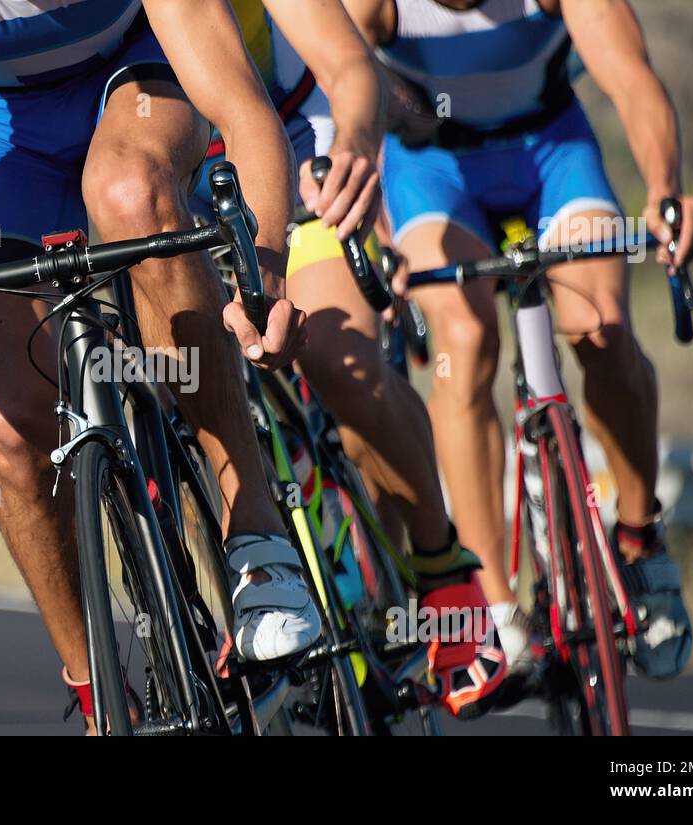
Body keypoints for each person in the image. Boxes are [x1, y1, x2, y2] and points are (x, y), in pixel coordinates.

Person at [0, 0, 327, 733]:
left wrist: (265, 276)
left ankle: (254, 527)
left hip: (137, 72)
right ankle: (98, 692)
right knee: (13, 435)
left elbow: (245, 112)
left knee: (129, 194)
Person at [346, 0, 693, 680]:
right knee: (463, 339)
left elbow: (632, 81)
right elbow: (346, 96)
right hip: (432, 168)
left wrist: (665, 194)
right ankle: (496, 605)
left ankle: (640, 542)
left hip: (551, 153)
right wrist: (373, 228)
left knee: (600, 327)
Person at [195, 0, 507, 718]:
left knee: (338, 356)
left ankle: (441, 565)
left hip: (302, 152)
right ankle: (222, 597)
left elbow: (348, 63)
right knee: (169, 385)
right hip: (186, 190)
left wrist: (359, 150)